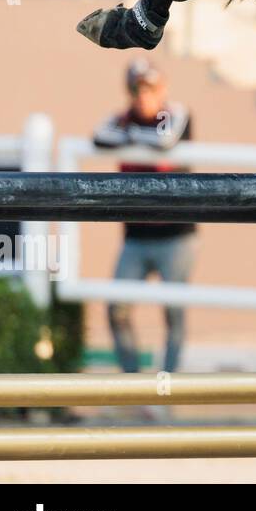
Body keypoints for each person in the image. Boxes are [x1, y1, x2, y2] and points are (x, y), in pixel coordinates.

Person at [93, 58, 196, 376]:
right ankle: (133, 385)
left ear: (162, 88)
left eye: (150, 88)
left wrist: (131, 135)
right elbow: (99, 136)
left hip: (176, 236)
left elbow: (165, 141)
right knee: (117, 310)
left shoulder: (175, 113)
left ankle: (168, 389)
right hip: (135, 236)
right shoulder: (122, 118)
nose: (143, 95)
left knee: (173, 315)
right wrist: (135, 134)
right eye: (137, 88)